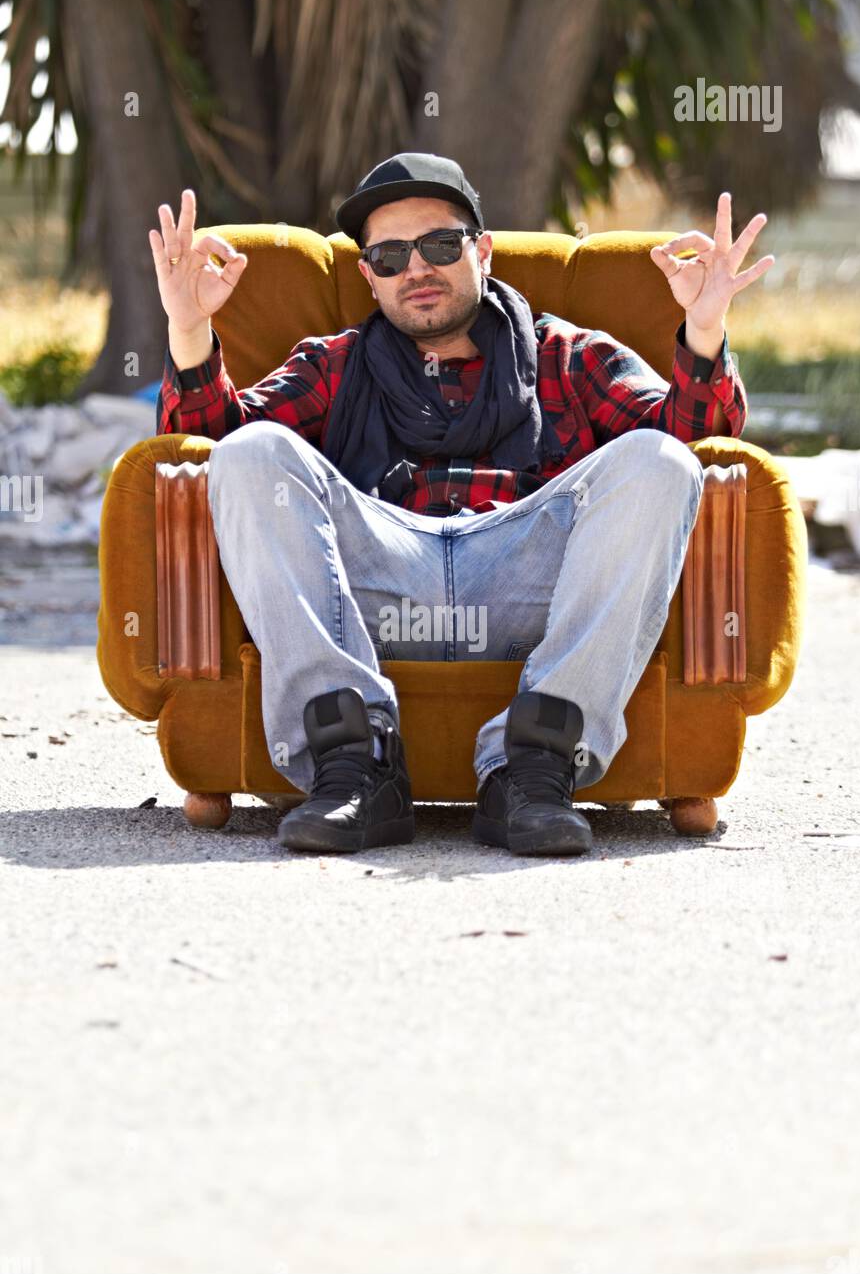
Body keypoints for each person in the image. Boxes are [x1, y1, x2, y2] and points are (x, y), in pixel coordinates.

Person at [148, 153, 772, 857]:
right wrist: (188, 330)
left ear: (482, 251)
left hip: (528, 586)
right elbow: (207, 457)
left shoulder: (567, 354)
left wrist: (705, 327)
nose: (416, 269)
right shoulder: (335, 362)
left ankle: (533, 768)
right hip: (378, 584)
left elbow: (693, 442)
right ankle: (354, 764)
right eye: (389, 255)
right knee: (251, 453)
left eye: (440, 246)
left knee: (659, 461)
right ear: (368, 275)